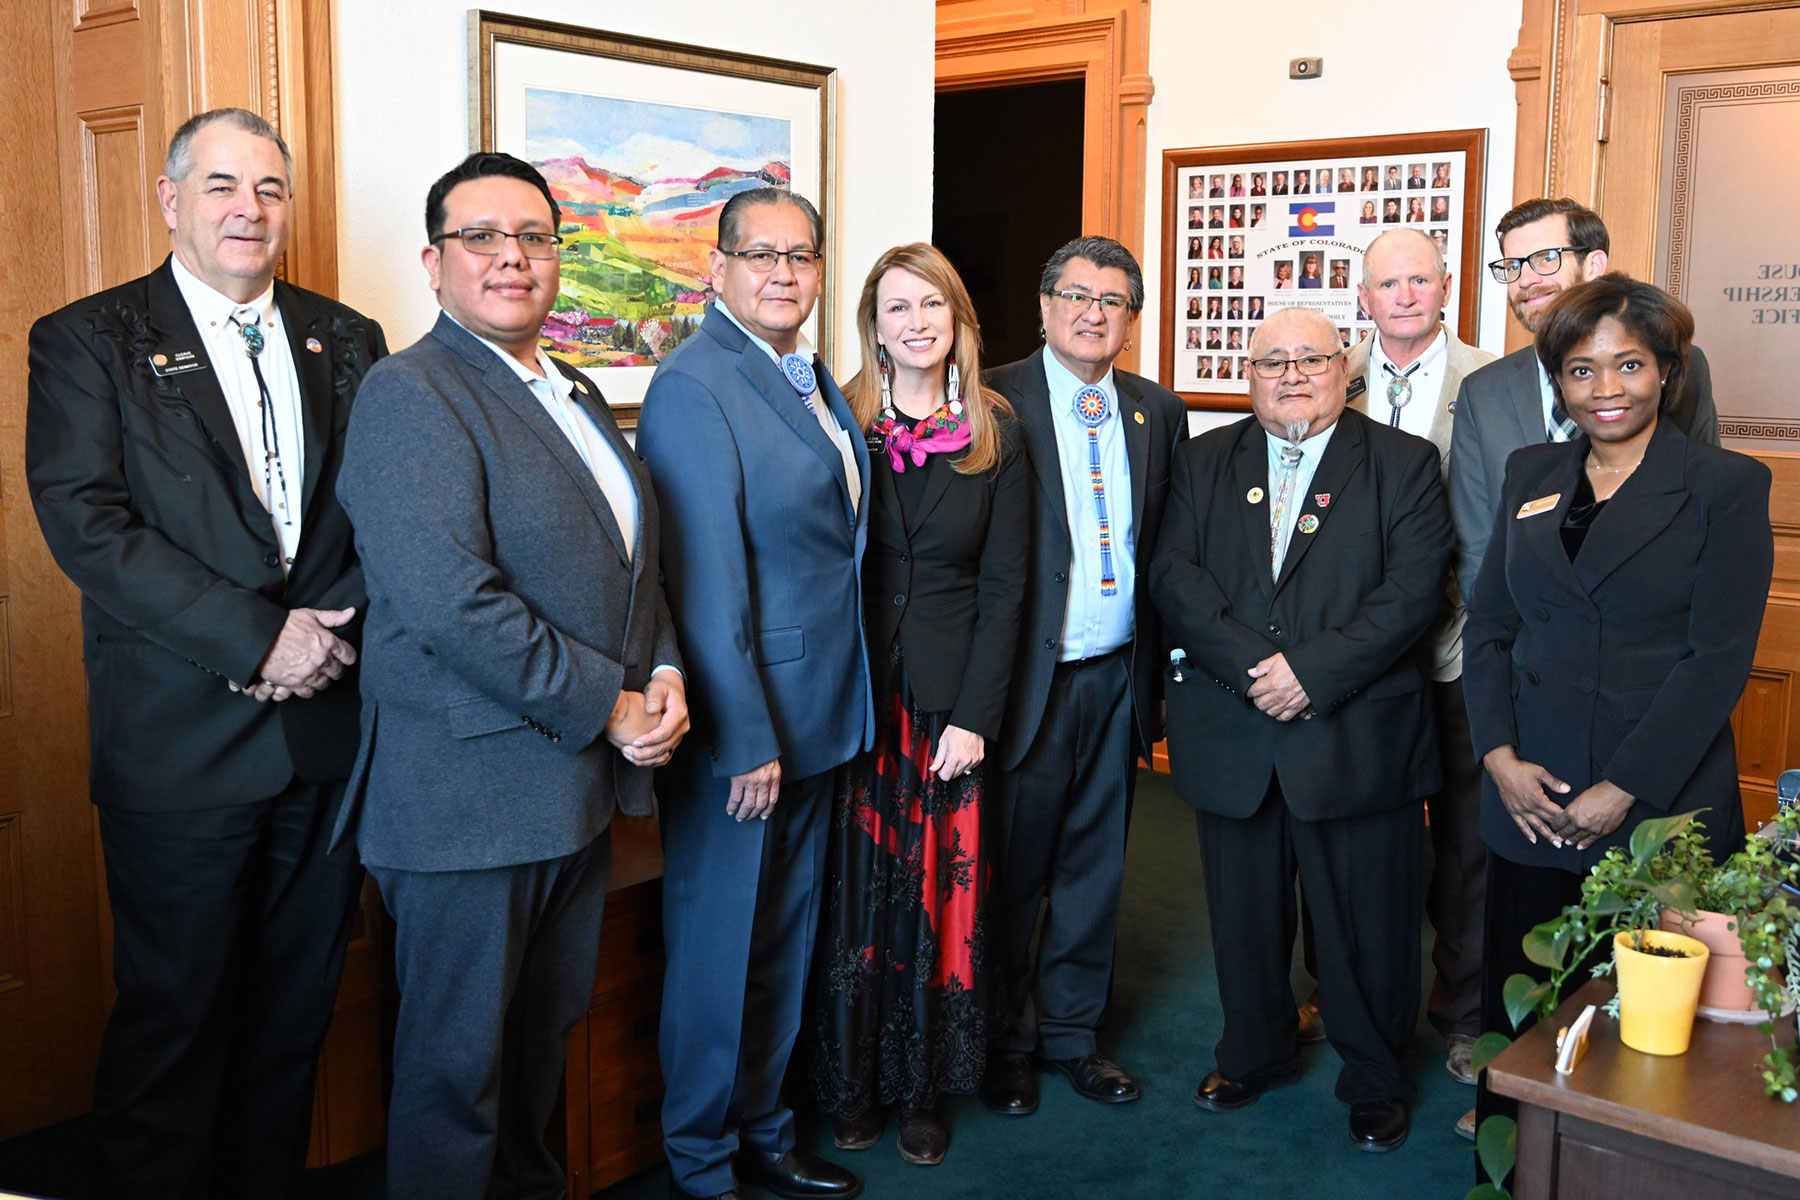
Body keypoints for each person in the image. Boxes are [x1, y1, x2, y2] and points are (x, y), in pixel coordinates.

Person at [25, 107, 385, 1200]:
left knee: (291, 1023)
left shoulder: (351, 337)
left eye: (270, 188)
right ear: (171, 200)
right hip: (180, 743)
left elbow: (384, 513)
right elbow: (87, 521)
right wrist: (258, 636)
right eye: (222, 185)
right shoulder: (88, 338)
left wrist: (329, 633)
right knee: (176, 1024)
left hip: (323, 740)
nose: (249, 209)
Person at [333, 152, 687, 1200]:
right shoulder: (410, 394)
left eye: (534, 237)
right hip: (464, 805)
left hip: (567, 795)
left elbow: (633, 560)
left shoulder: (564, 383)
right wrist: (614, 704)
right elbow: (454, 605)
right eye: (482, 238)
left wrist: (661, 663)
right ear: (436, 261)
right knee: (458, 1085)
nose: (512, 259)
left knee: (535, 1064)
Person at [1462, 273, 1771, 1165]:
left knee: (1646, 1039)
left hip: (1656, 804)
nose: (1607, 390)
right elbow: (1490, 627)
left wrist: (1623, 789)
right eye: (1582, 370)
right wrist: (1496, 756)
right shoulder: (1530, 474)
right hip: (1528, 795)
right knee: (1520, 1010)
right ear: (1557, 381)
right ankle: (1508, 1167)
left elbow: (1716, 661)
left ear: (1668, 372)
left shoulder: (1724, 486)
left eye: (1630, 365)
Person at [1149, 306, 1452, 1155]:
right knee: (1243, 916)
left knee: (1368, 921)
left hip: (1352, 734)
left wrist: (1309, 675)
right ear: (1249, 374)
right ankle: (1254, 1052)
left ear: (1344, 368)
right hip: (1235, 728)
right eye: (1271, 360)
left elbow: (1412, 591)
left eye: (1310, 358)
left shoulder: (1402, 464)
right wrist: (1258, 669)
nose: (1290, 374)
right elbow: (1176, 577)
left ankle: (1377, 1077)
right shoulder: (1204, 461)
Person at [639, 187, 874, 1200]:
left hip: (818, 714)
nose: (785, 273)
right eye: (763, 255)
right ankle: (700, 1156)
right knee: (719, 947)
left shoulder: (809, 375)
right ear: (720, 268)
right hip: (751, 731)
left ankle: (768, 1129)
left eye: (803, 256)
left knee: (785, 937)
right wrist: (743, 737)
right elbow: (705, 581)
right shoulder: (694, 385)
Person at [809, 243, 1029, 1167]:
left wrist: (978, 715)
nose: (915, 323)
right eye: (896, 308)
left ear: (959, 321)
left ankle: (923, 1089)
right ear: (874, 324)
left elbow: (1007, 585)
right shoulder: (837, 419)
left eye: (931, 306)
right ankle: (851, 1081)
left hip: (947, 711)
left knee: (939, 898)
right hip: (854, 695)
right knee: (853, 898)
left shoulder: (997, 429)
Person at [981, 236, 1187, 1117]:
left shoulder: (1155, 411)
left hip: (1117, 675)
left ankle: (1073, 1035)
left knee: (1095, 870)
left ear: (1131, 321)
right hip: (1030, 680)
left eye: (1112, 301)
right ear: (1043, 305)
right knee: (1013, 871)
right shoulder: (993, 398)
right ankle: (1001, 1043)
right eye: (1076, 295)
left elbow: (1169, 545)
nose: (1093, 313)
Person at [1344, 229, 1498, 1094]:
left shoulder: (1497, 381)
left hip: (1459, 645)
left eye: (1418, 280)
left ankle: (1464, 1009)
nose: (1403, 296)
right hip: (1360, 654)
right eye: (1385, 284)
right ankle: (1350, 995)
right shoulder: (1335, 379)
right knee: (1358, 835)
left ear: (1446, 288)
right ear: (1362, 298)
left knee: (1470, 845)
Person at [1448, 197, 1719, 600]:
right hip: (1528, 644)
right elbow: (1475, 545)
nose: (1525, 280)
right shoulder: (1482, 391)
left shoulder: (1676, 364)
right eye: (1513, 266)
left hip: (1648, 633)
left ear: (1593, 266)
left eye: (1544, 259)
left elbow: (1707, 510)